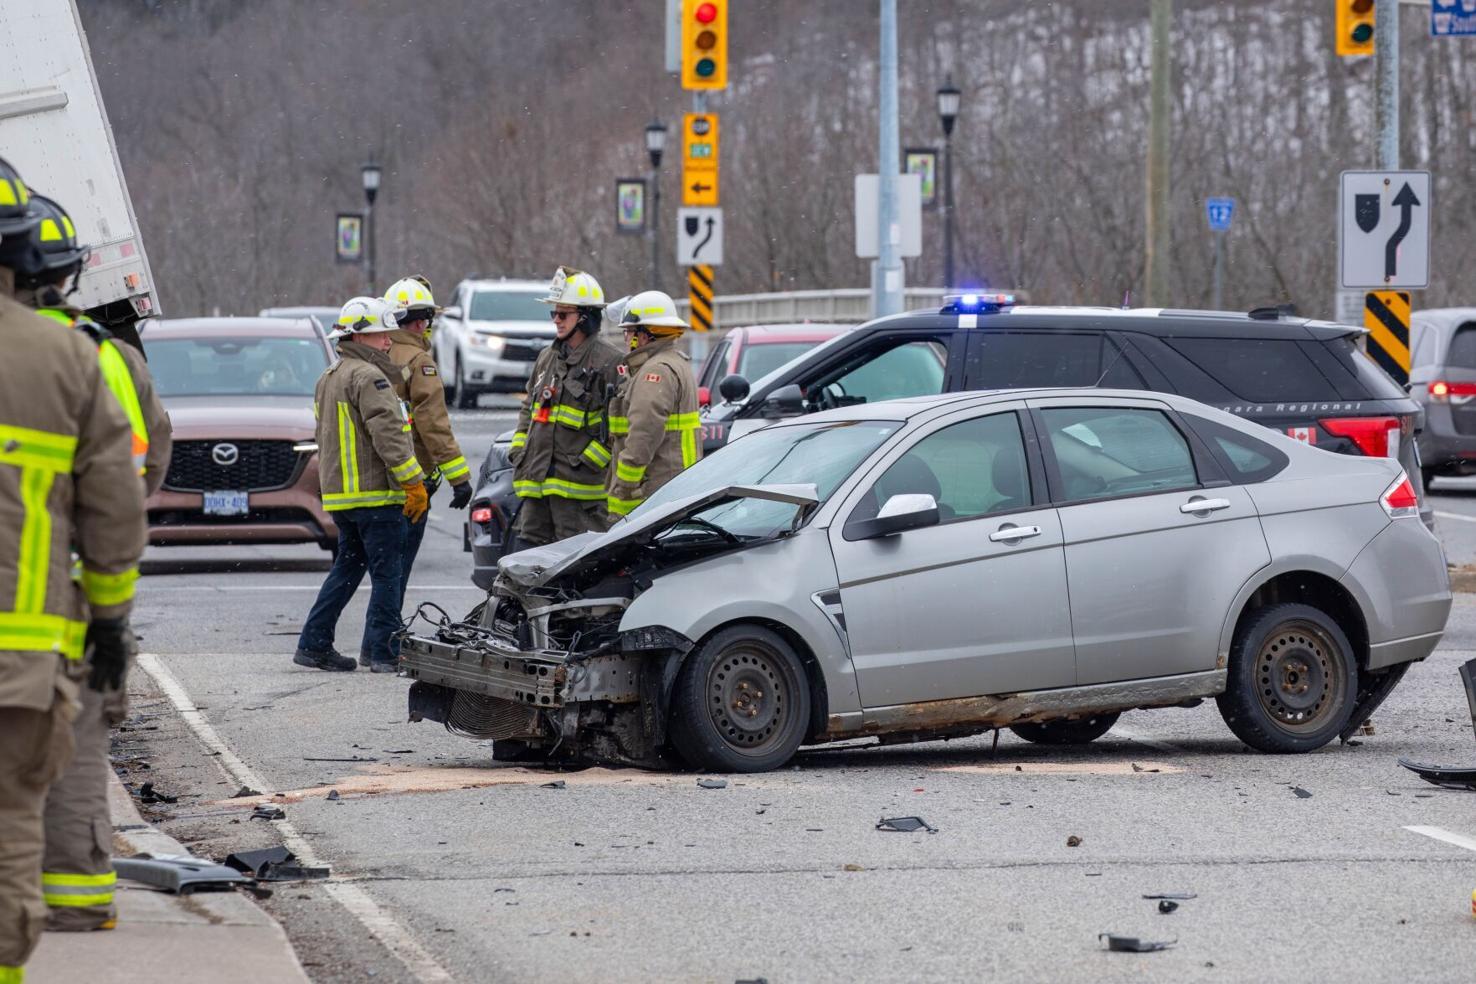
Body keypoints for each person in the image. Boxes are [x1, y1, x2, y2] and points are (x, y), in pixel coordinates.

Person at [8, 191, 172, 935]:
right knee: (69, 746)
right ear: (66, 273)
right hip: (59, 592)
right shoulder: (100, 359)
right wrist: (110, 615)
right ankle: (75, 897)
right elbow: (135, 479)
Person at [294, 297, 427, 674]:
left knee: (347, 570)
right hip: (376, 497)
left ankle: (314, 643)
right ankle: (384, 652)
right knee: (388, 574)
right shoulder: (371, 377)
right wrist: (413, 483)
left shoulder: (329, 376)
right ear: (360, 337)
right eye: (381, 334)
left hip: (343, 498)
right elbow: (389, 435)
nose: (388, 342)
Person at [380, 276, 471, 641]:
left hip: (376, 479)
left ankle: (371, 636)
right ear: (421, 322)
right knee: (399, 565)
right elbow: (433, 425)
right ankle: (385, 636)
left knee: (375, 565)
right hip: (413, 478)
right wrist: (459, 478)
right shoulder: (420, 362)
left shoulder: (373, 354)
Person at [509, 266, 622, 548]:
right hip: (537, 489)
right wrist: (518, 450)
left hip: (579, 498)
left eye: (563, 314)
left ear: (584, 317)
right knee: (530, 563)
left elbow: (620, 425)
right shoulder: (547, 358)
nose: (556, 321)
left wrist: (588, 462)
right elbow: (529, 410)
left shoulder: (609, 362)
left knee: (575, 569)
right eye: (553, 314)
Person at [605, 290, 702, 520]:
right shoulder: (676, 363)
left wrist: (625, 484)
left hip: (652, 490)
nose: (626, 338)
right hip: (675, 483)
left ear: (645, 334)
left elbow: (643, 433)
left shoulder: (655, 371)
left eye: (629, 331)